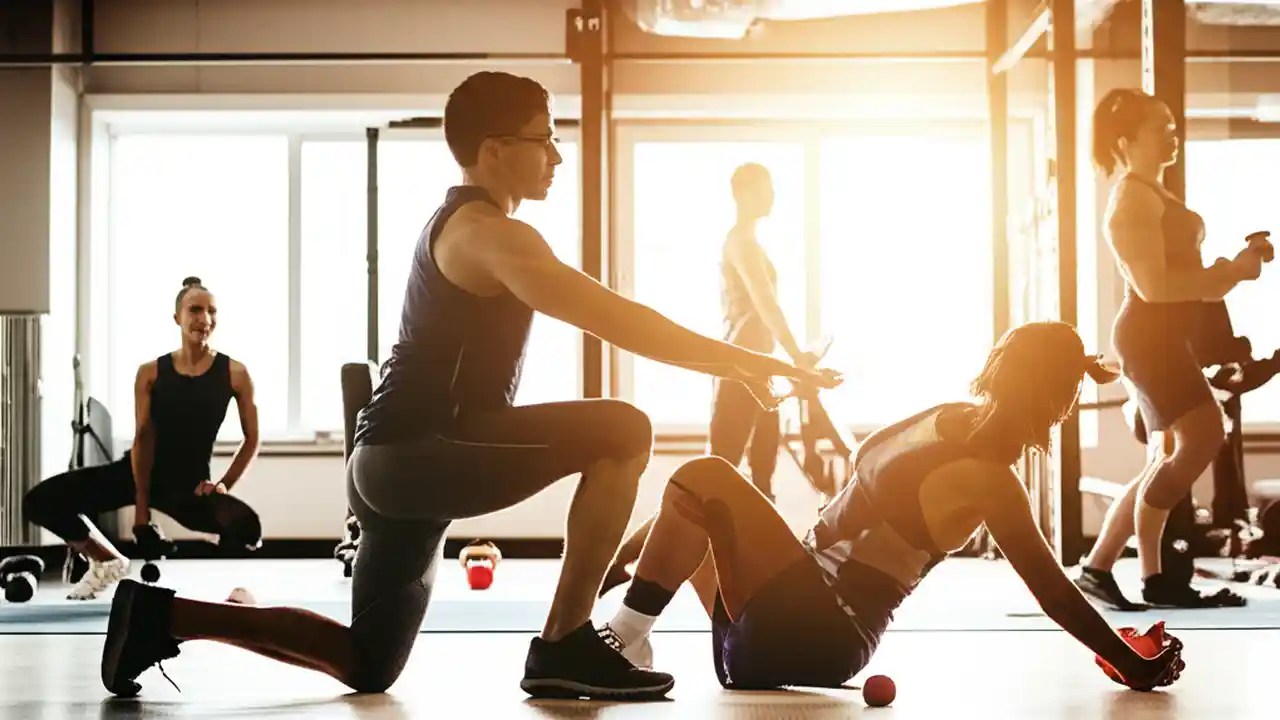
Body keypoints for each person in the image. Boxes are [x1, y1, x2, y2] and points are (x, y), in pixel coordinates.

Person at [98, 71, 837, 700]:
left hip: (391, 463)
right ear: (494, 151)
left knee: (368, 664)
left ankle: (161, 617)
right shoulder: (490, 235)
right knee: (624, 431)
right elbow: (618, 320)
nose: (556, 155)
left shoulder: (457, 225)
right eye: (544, 139)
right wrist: (747, 363)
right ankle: (564, 643)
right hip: (420, 451)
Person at [597, 322, 1185, 693]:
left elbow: (1053, 591)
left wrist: (1128, 662)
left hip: (820, 631)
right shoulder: (945, 415)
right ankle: (610, 633)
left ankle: (620, 638)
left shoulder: (993, 484)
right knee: (690, 501)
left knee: (705, 478)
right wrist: (615, 570)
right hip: (762, 633)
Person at [1074, 89, 1271, 610]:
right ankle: (1154, 577)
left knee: (1165, 458)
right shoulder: (1131, 199)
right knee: (1204, 437)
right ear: (1125, 141)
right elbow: (1155, 288)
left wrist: (1237, 268)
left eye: (1172, 125)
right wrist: (1232, 272)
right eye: (1159, 126)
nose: (1172, 133)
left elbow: (1189, 282)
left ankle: (1099, 568)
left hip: (1165, 337)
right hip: (1149, 337)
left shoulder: (1152, 193)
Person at [599, 162, 815, 596]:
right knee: (712, 475)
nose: (773, 196)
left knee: (762, 478)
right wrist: (797, 359)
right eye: (766, 188)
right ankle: (620, 563)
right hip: (742, 370)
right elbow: (766, 304)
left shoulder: (748, 242)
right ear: (745, 192)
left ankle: (765, 583)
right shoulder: (741, 243)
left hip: (759, 369)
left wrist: (790, 362)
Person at [23, 277, 261, 600]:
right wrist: (141, 511)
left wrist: (222, 486)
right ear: (177, 317)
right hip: (137, 473)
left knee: (248, 528)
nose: (204, 319)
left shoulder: (235, 373)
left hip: (188, 487)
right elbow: (143, 438)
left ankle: (220, 598)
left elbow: (251, 439)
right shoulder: (151, 372)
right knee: (39, 501)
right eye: (195, 310)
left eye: (212, 311)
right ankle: (106, 560)